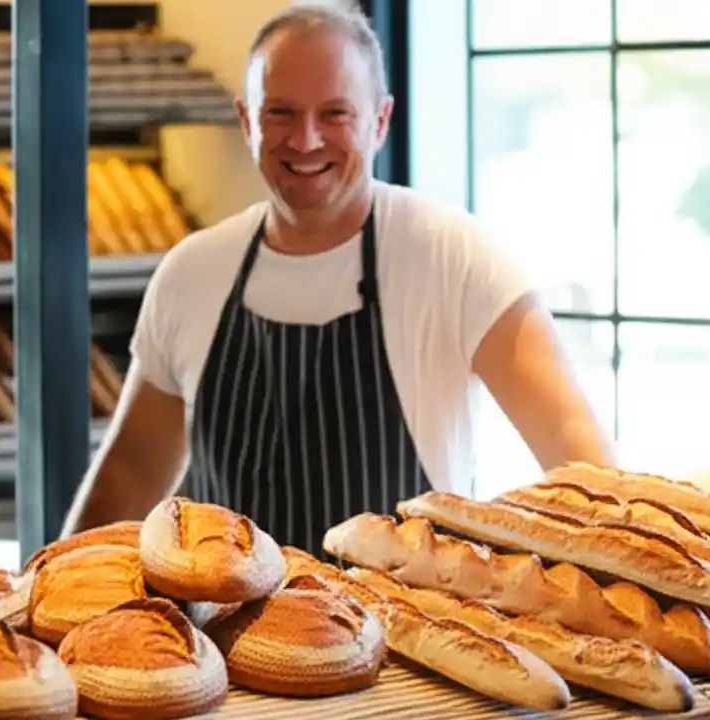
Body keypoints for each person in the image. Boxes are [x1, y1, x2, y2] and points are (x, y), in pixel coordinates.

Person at [61, 6, 613, 554]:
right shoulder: (192, 272)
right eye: (280, 112)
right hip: (222, 638)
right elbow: (126, 480)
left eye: (335, 114)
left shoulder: (453, 257)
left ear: (380, 120)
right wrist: (38, 601)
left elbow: (579, 457)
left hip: (403, 638)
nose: (305, 141)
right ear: (247, 119)